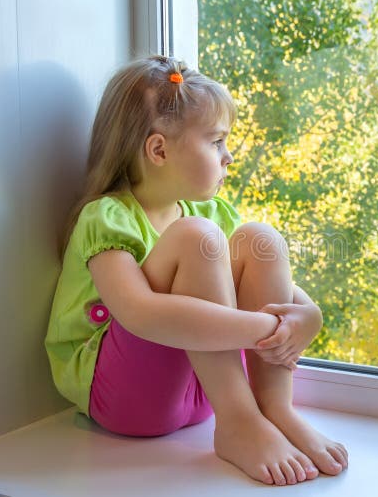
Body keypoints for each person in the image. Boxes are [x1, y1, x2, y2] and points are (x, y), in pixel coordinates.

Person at [45, 55, 348, 486]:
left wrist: (307, 315)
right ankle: (240, 423)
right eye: (216, 142)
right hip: (127, 398)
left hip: (203, 389)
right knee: (197, 238)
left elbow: (251, 282)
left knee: (259, 238)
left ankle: (274, 409)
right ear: (159, 150)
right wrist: (266, 327)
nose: (229, 155)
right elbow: (140, 313)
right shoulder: (107, 217)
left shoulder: (207, 213)